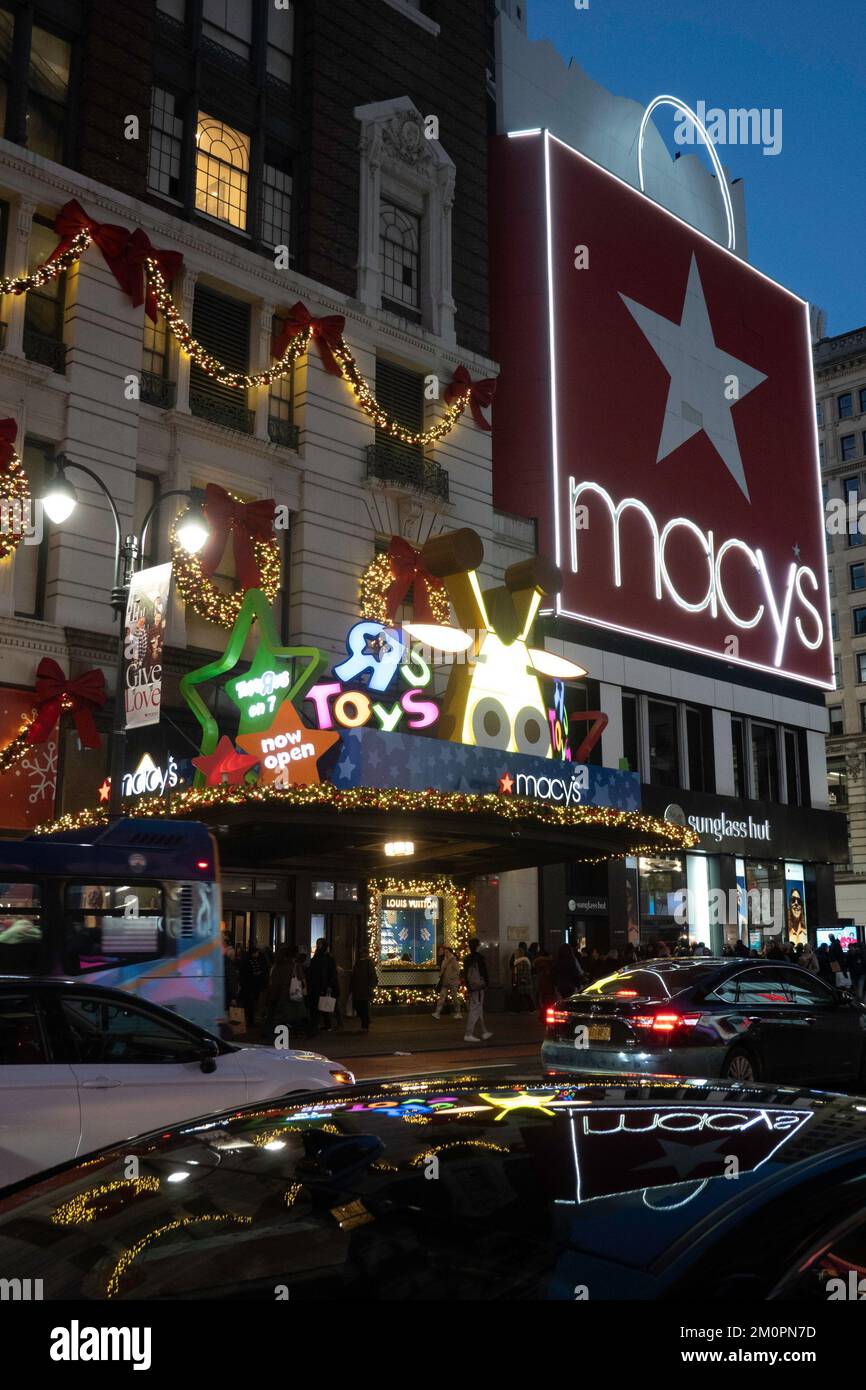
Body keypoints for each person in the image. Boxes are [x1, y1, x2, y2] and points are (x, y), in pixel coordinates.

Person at [263, 946, 308, 1044]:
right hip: (291, 995)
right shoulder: (295, 966)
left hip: (278, 995)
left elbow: (273, 983)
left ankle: (276, 1039)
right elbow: (301, 980)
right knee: (290, 1016)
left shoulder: (277, 966)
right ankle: (288, 1037)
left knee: (277, 1017)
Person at [462, 938, 492, 1042]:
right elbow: (484, 973)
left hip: (472, 987)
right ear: (478, 946)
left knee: (478, 1009)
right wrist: (486, 983)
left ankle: (484, 1031)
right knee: (475, 1009)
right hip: (478, 987)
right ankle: (468, 1033)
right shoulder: (479, 958)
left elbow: (465, 975)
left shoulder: (467, 959)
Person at [306, 939, 339, 1033]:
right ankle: (321, 1024)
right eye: (318, 944)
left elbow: (332, 973)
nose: (318, 946)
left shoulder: (327, 958)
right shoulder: (318, 957)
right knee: (319, 1004)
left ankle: (326, 1024)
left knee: (324, 1004)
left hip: (322, 984)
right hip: (316, 984)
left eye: (320, 944)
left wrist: (329, 985)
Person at [350, 949, 378, 1031]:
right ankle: (366, 1021)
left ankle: (365, 1025)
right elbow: (354, 976)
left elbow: (373, 976)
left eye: (363, 953)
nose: (362, 954)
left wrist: (370, 987)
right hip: (359, 989)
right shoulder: (358, 963)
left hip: (364, 989)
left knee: (363, 1007)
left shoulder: (368, 963)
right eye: (361, 953)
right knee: (358, 1005)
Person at [433, 946, 463, 1020]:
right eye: (445, 952)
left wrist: (452, 977)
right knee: (442, 997)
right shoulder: (444, 960)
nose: (445, 953)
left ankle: (458, 1012)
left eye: (447, 952)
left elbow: (457, 970)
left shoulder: (453, 959)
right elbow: (443, 970)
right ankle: (437, 1012)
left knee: (454, 997)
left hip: (452, 982)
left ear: (450, 952)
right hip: (445, 981)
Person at [532, 944, 555, 1018]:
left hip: (540, 981)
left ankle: (542, 1012)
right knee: (548, 999)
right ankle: (545, 1014)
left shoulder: (537, 962)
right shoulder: (549, 963)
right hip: (548, 983)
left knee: (542, 998)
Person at [513, 947, 534, 1011]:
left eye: (516, 953)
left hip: (523, 981)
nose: (514, 954)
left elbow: (524, 971)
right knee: (524, 995)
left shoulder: (522, 961)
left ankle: (518, 1009)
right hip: (522, 981)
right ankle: (530, 1008)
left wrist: (523, 979)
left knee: (522, 995)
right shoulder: (521, 961)